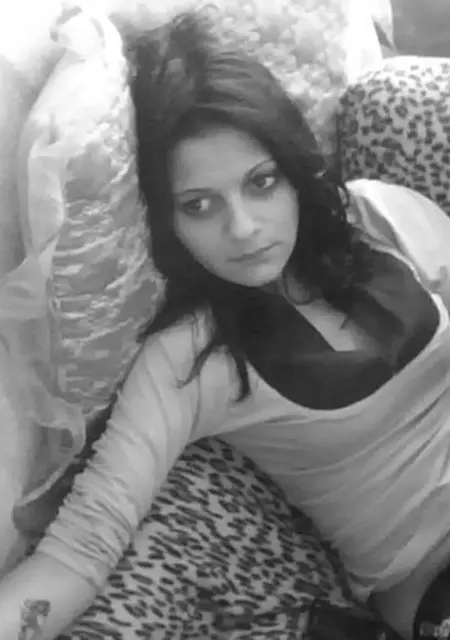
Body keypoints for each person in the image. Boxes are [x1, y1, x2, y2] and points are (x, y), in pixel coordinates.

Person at [0, 11, 450, 640]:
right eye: (200, 205)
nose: (243, 228)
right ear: (167, 221)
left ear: (292, 171)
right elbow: (77, 553)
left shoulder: (379, 217)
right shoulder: (188, 360)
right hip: (430, 574)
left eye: (261, 183)